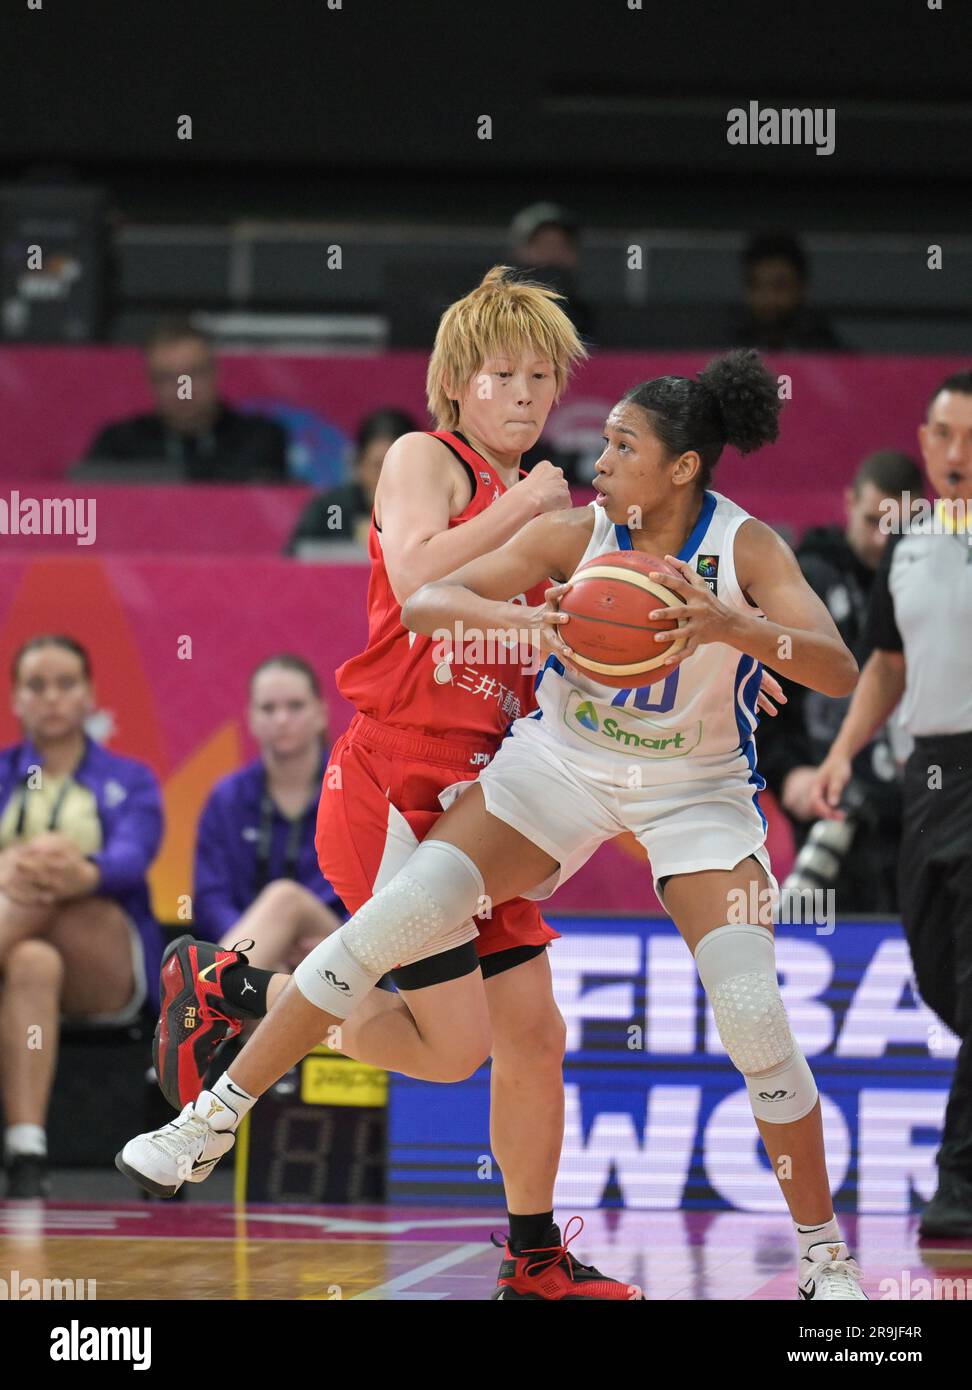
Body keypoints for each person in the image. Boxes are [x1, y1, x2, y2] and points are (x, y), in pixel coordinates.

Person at [118, 349, 866, 1301]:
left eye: (622, 445)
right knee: (401, 917)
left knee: (752, 1014)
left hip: (694, 794)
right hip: (557, 768)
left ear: (681, 468)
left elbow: (835, 667)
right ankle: (211, 1120)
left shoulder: (746, 547)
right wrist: (533, 626)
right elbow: (426, 600)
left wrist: (734, 627)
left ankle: (823, 1257)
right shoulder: (576, 531)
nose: (599, 459)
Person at [809, 370, 972, 1238]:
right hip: (934, 774)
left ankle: (958, 1190)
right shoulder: (907, 539)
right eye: (944, 435)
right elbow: (887, 664)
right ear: (922, 439)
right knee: (938, 969)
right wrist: (841, 753)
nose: (956, 454)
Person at [0, 636, 163, 1197]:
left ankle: (36, 879)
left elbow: (134, 856)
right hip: (20, 954)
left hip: (105, 960)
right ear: (16, 699)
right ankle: (26, 1151)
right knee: (33, 961)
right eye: (36, 686)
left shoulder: (131, 778)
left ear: (90, 695)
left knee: (41, 879)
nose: (51, 698)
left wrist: (77, 870)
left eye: (66, 684)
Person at [758, 449, 923, 910]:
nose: (882, 539)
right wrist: (789, 773)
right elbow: (763, 696)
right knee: (822, 935)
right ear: (849, 501)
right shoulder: (803, 581)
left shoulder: (933, 582)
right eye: (872, 520)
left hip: (916, 812)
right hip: (825, 800)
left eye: (896, 526)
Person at [84, 318, 288, 482]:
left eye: (193, 374)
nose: (183, 391)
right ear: (150, 382)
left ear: (215, 374)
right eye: (168, 377)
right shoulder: (119, 445)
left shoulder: (259, 439)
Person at [285, 408, 418, 552]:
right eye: (378, 466)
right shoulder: (330, 509)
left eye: (398, 466)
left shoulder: (436, 512)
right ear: (360, 466)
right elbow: (296, 560)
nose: (389, 479)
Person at [730, 232, 843, 353]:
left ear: (802, 288)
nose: (768, 297)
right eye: (757, 286)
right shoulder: (724, 348)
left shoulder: (828, 352)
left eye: (779, 286)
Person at [509, 201, 594, 339]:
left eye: (562, 246)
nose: (552, 255)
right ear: (518, 253)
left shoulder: (595, 323)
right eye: (543, 246)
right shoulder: (489, 322)